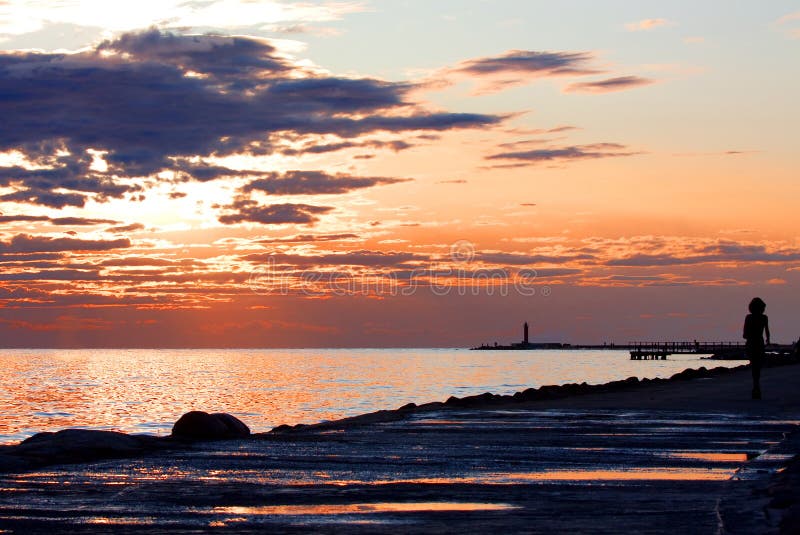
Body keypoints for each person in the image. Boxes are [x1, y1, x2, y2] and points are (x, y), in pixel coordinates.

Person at [743, 297, 770, 399]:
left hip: (751, 343)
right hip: (759, 343)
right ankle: (756, 385)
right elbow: (767, 331)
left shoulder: (748, 318)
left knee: (754, 365)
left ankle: (756, 385)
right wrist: (768, 340)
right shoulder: (764, 318)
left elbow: (745, 334)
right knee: (757, 366)